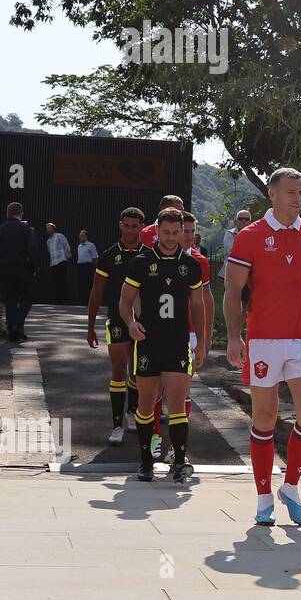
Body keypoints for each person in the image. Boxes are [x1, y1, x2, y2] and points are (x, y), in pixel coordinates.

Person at [225, 168, 301, 526]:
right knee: (265, 417)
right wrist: (232, 335)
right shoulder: (250, 236)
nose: (297, 198)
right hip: (264, 339)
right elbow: (232, 291)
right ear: (271, 194)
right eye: (290, 192)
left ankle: (290, 487)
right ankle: (262, 497)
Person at [120, 208, 206, 483]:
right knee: (145, 407)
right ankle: (145, 459)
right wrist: (131, 323)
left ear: (183, 232)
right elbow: (124, 301)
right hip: (148, 343)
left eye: (175, 232)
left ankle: (179, 461)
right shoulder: (141, 262)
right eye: (165, 232)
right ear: (157, 231)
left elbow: (198, 305)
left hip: (177, 343)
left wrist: (202, 342)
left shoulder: (191, 266)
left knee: (177, 406)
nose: (170, 238)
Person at [86, 207, 146, 446]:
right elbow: (96, 292)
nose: (131, 230)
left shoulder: (150, 255)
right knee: (118, 368)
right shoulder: (109, 255)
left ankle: (132, 412)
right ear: (120, 225)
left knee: (137, 371)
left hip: (143, 321)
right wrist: (90, 326)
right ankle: (116, 425)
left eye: (135, 226)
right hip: (117, 319)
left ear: (142, 227)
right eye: (127, 225)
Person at [0, 202, 41, 342]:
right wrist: (33, 268)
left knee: (9, 301)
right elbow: (34, 251)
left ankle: (13, 331)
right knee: (27, 297)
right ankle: (17, 324)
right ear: (21, 213)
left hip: (4, 269)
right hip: (23, 269)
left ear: (7, 213)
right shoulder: (26, 229)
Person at [220, 209, 252, 282]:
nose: (243, 221)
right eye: (240, 219)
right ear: (236, 221)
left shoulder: (255, 235)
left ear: (250, 222)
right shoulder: (229, 234)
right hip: (232, 275)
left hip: (249, 276)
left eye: (246, 219)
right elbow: (233, 252)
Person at [46, 223, 72, 303]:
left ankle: (65, 300)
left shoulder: (60, 236)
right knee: (55, 282)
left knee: (62, 281)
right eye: (47, 228)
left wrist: (67, 257)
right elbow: (50, 252)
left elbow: (66, 246)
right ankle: (57, 301)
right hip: (53, 263)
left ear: (53, 229)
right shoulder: (48, 241)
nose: (48, 230)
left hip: (61, 261)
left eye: (50, 228)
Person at [75, 229, 98, 304]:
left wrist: (94, 269)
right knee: (81, 284)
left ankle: (89, 301)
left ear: (86, 237)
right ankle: (82, 301)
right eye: (79, 236)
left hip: (87, 266)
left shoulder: (91, 245)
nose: (80, 237)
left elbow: (95, 257)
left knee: (88, 284)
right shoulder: (79, 246)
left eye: (82, 235)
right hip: (80, 267)